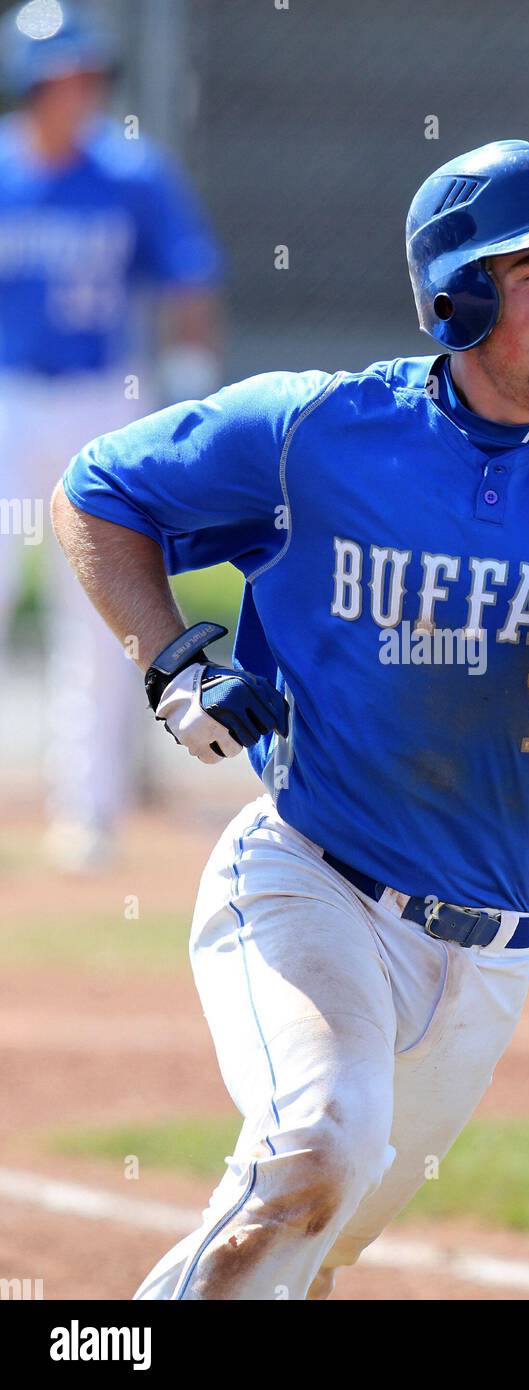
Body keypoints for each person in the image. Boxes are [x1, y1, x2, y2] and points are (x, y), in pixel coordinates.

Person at [51, 139, 529, 1300]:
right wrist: (173, 665)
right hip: (312, 882)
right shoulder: (318, 432)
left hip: (497, 952)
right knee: (313, 1154)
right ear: (457, 296)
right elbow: (94, 494)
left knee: (309, 1245)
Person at [0, 0, 223, 868]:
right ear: (30, 81)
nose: (80, 89)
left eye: (90, 73)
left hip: (100, 402)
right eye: (64, 74)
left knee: (94, 612)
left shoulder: (133, 174)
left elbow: (190, 280)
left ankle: (86, 811)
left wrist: (191, 381)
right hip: (8, 397)